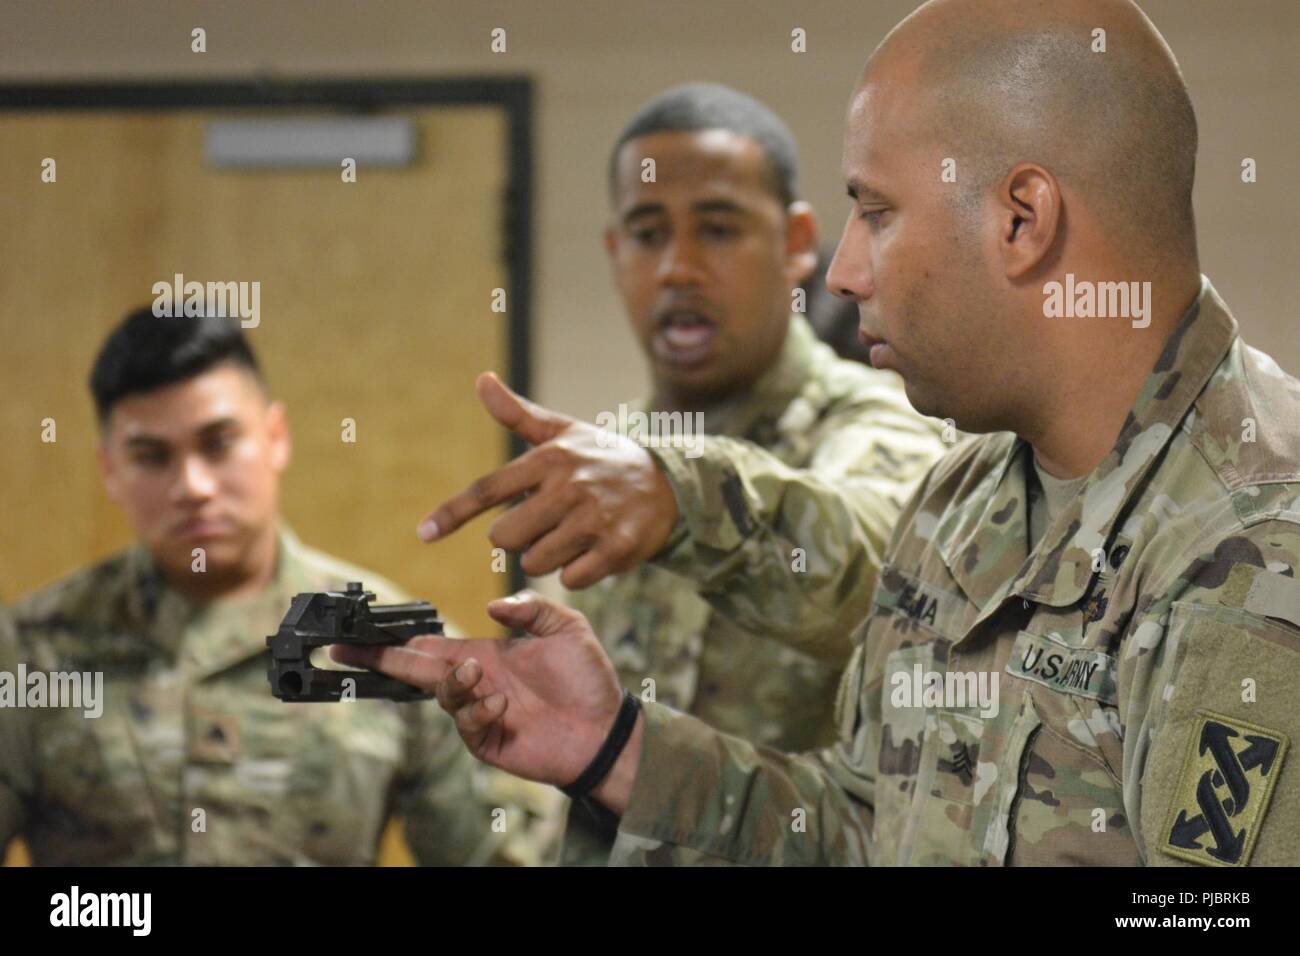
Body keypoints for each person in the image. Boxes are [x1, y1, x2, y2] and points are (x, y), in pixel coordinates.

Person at [337, 0, 1300, 866]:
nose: (843, 275)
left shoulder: (1254, 543)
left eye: (877, 213)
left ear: (1021, 220)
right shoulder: (963, 499)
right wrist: (614, 745)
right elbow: (859, 824)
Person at [415, 83, 947, 862]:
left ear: (799, 240)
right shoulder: (607, 456)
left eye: (719, 230)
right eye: (648, 232)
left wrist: (682, 498)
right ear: (613, 251)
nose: (679, 268)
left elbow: (885, 581)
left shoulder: (879, 424)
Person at [0, 308, 511, 866]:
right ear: (109, 471)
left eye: (217, 444)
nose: (192, 486)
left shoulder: (391, 647)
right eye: (152, 457)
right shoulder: (29, 650)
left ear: (275, 437)